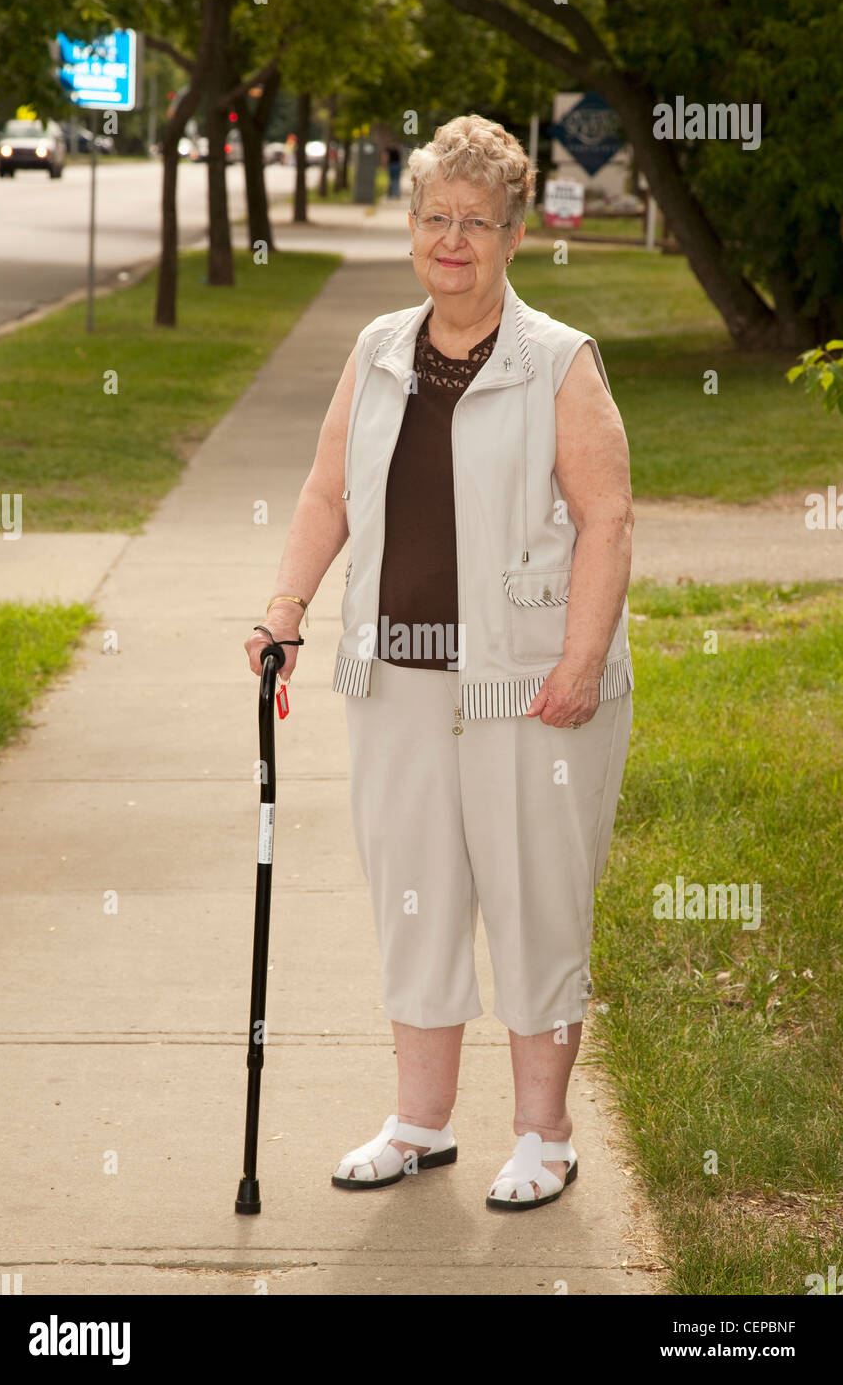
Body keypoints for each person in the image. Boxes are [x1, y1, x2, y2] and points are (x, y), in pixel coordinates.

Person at [244, 114, 634, 1210]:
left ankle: (542, 1136)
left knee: (533, 900)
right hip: (398, 676)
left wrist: (581, 660)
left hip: (527, 687)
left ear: (513, 235)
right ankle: (419, 1123)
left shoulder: (556, 360)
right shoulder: (374, 350)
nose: (450, 240)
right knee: (413, 897)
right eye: (433, 219)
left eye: (475, 222)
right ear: (412, 229)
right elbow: (326, 494)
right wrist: (286, 606)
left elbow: (606, 519)